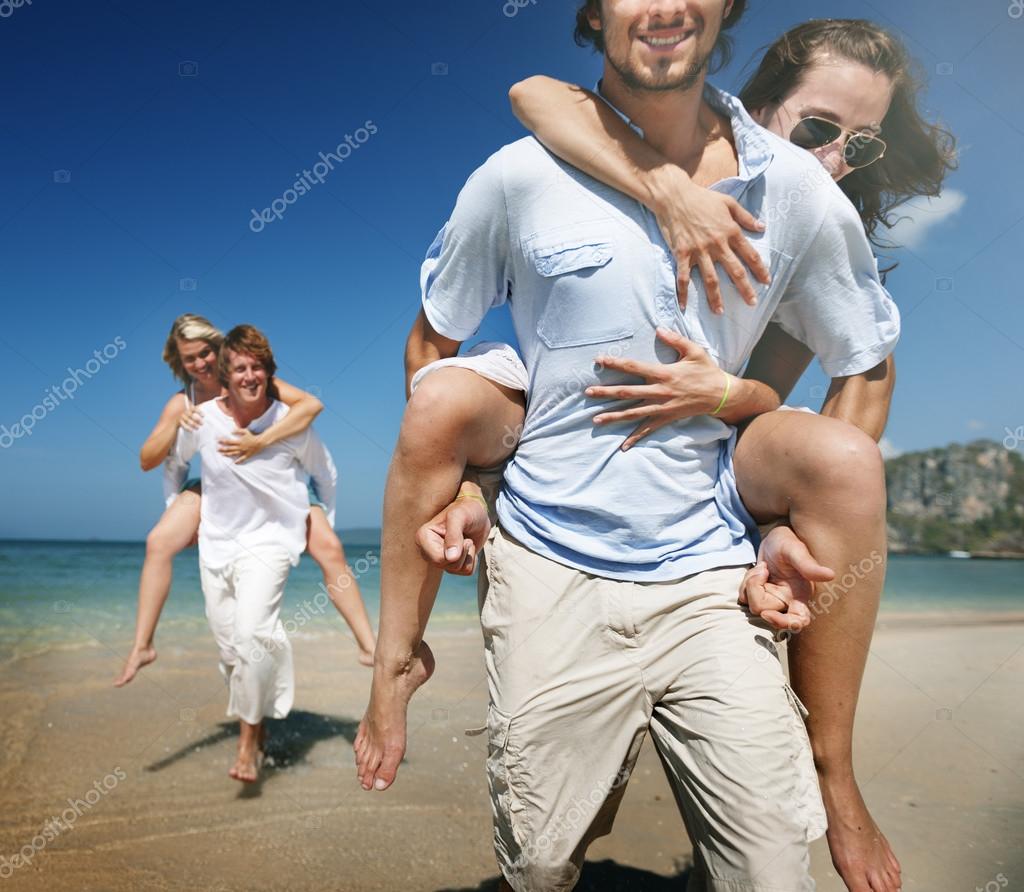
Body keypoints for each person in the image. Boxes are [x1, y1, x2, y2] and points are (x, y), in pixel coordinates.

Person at [356, 2, 917, 888]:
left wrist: (788, 535)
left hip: (706, 551)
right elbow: (435, 343)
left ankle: (827, 770)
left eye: (864, 142)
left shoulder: (805, 200)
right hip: (552, 550)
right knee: (541, 862)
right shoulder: (521, 173)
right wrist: (471, 489)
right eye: (819, 125)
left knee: (773, 874)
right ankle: (402, 668)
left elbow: (856, 369)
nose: (840, 152)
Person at [114, 314, 375, 687]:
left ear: (218, 349)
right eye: (190, 358)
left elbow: (311, 406)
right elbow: (150, 461)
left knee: (329, 547)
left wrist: (260, 442)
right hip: (217, 482)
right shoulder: (183, 402)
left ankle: (368, 645)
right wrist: (178, 423)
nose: (200, 363)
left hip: (278, 478)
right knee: (158, 541)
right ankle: (143, 645)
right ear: (180, 363)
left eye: (206, 352)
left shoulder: (249, 376)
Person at [168, 324, 336, 782]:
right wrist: (179, 511)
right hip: (217, 545)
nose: (249, 375)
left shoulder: (287, 420)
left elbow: (325, 473)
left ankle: (248, 745)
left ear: (269, 372)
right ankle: (258, 721)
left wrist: (321, 519)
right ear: (226, 375)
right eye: (240, 367)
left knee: (249, 637)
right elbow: (175, 463)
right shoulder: (202, 419)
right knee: (230, 649)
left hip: (271, 542)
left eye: (257, 366)